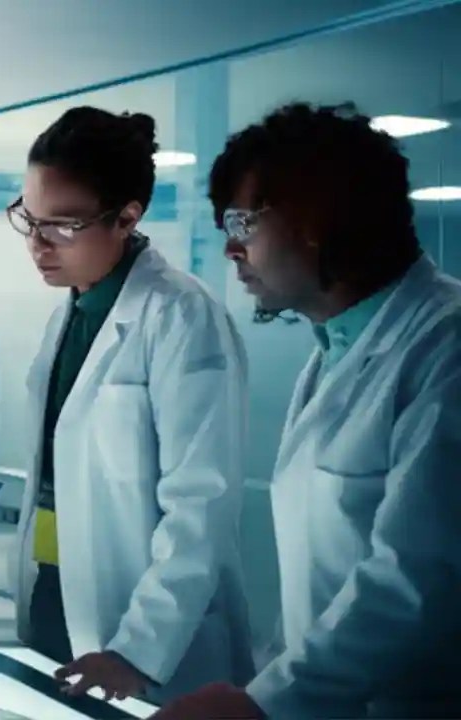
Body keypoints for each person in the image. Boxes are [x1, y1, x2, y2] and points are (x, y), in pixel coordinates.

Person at [152, 103, 461, 719]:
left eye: (243, 221)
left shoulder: (446, 349)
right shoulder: (335, 349)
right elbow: (315, 587)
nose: (233, 249)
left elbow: (417, 580)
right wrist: (266, 686)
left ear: (315, 215)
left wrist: (262, 704)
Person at [8, 107, 255, 703]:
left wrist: (137, 650)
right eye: (28, 219)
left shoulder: (181, 316)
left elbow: (201, 504)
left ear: (127, 217)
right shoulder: (71, 310)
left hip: (146, 639)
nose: (38, 244)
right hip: (55, 596)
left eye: (62, 225)